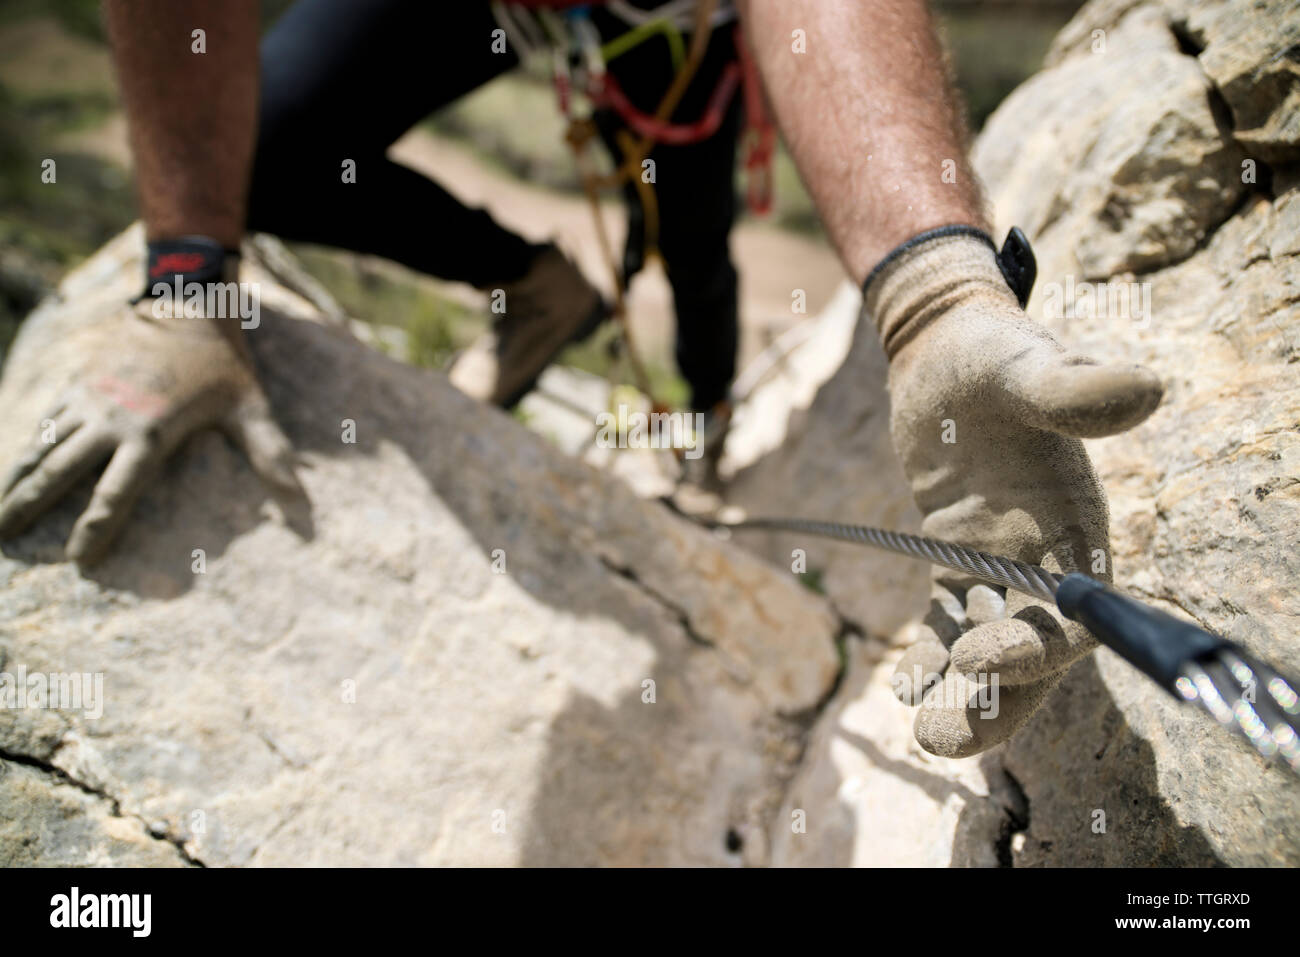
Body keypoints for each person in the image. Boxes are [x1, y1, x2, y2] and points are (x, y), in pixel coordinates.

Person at [0, 0, 1164, 759]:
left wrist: (935, 294)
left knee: (694, 254)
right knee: (282, 142)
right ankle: (537, 287)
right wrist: (191, 270)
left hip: (685, 28)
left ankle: (702, 425)